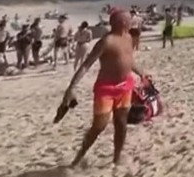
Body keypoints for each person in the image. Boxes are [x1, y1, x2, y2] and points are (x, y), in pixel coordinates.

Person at [62, 10, 151, 167]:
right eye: (129, 20)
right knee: (99, 126)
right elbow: (86, 65)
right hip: (106, 89)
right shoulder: (106, 42)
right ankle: (78, 157)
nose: (132, 23)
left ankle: (116, 158)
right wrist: (71, 88)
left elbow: (129, 61)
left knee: (121, 122)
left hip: (125, 87)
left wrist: (142, 73)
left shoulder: (129, 38)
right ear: (122, 23)